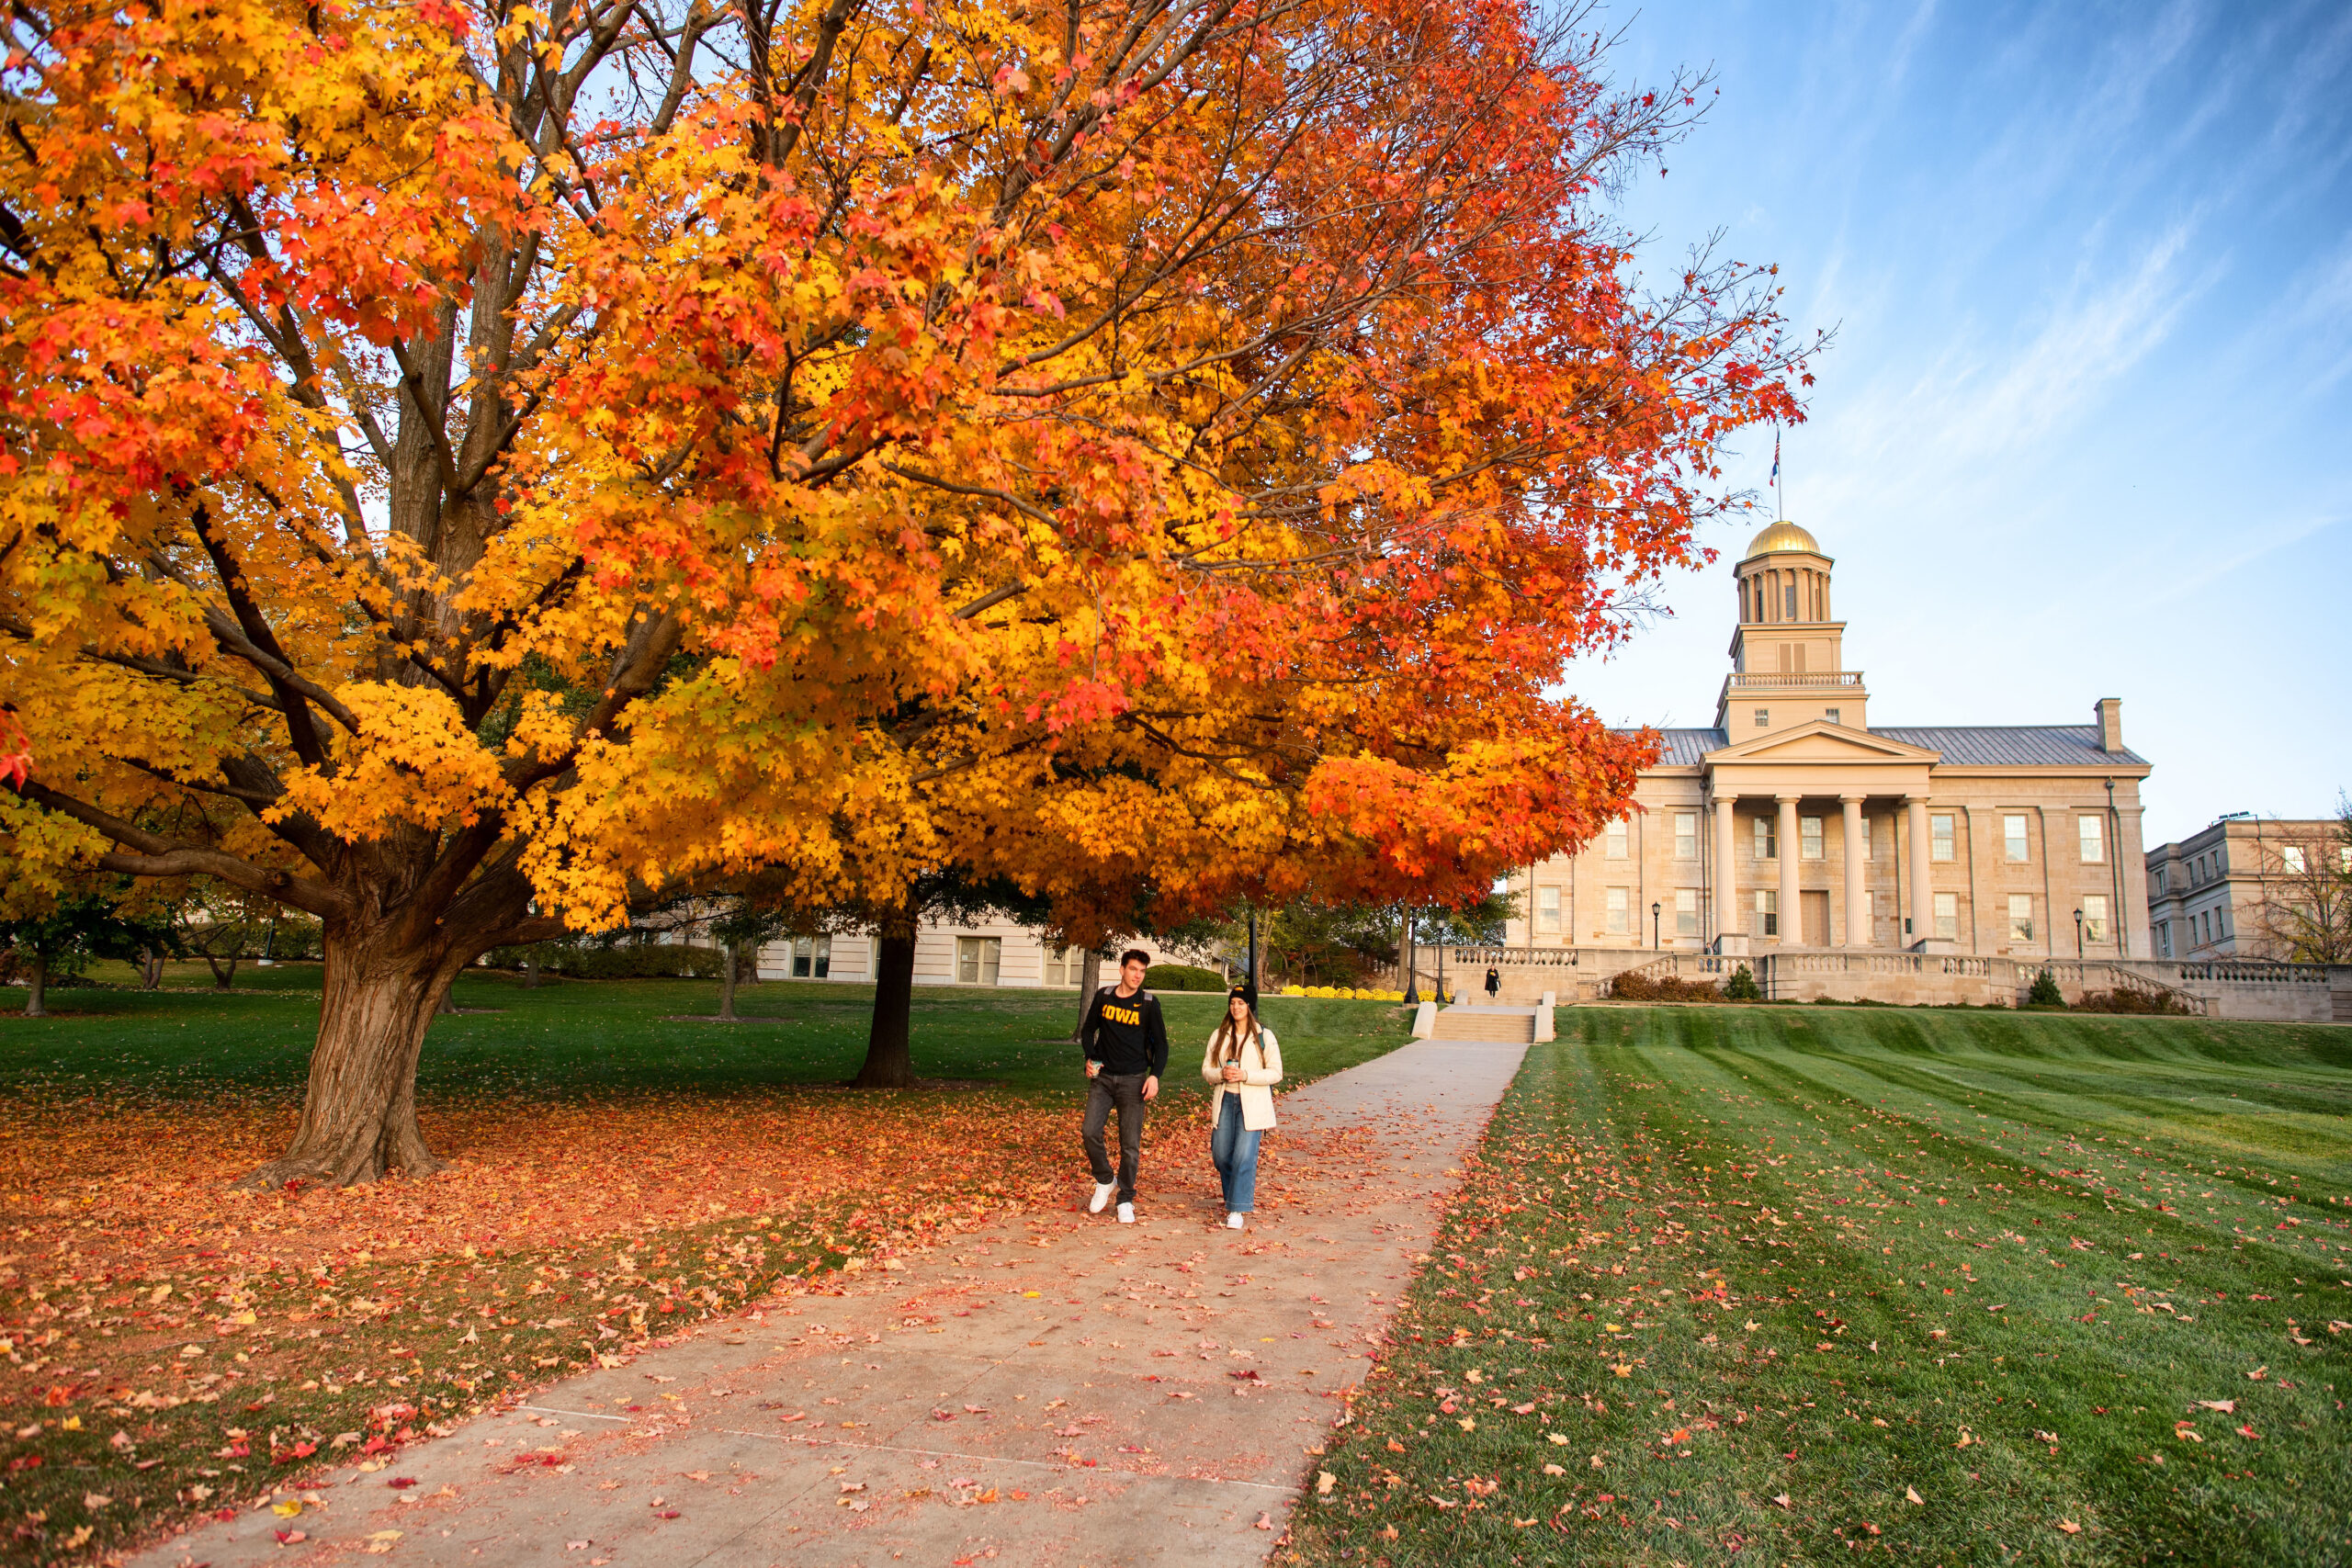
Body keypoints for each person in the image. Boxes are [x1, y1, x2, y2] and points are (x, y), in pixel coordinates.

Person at [1080, 949, 1168, 1224]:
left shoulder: (1149, 1003)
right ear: (1121, 970)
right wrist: (1090, 1058)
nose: (1137, 976)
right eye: (1133, 970)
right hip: (1103, 1079)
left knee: (1130, 1146)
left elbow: (1162, 1044)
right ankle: (1105, 1179)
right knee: (1089, 1131)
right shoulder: (1104, 996)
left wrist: (1155, 1076)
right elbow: (1087, 1030)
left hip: (1134, 1081)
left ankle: (1126, 1198)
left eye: (1142, 971)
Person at [1200, 985, 1282, 1229]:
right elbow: (1206, 1070)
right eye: (1233, 1002)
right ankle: (1233, 1197)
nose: (1236, 1007)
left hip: (1252, 1104)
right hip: (1225, 1101)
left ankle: (1237, 1208)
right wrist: (1221, 1074)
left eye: (1241, 1003)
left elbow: (1276, 1073)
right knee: (1221, 1155)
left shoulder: (1263, 1036)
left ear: (1249, 1007)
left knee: (1244, 1157)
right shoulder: (1219, 1035)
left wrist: (1245, 1075)